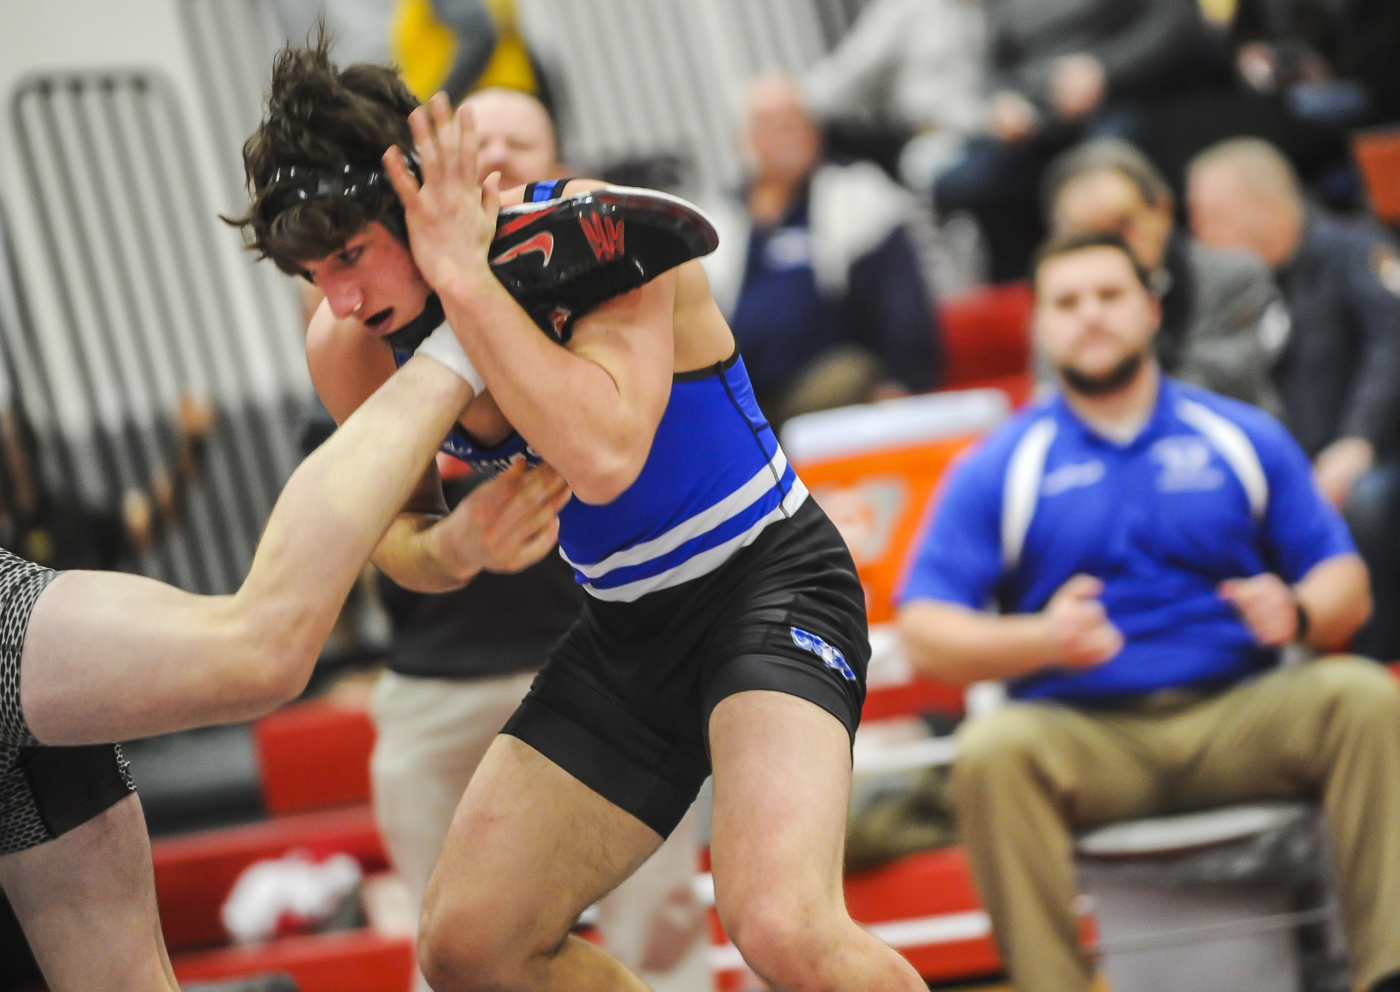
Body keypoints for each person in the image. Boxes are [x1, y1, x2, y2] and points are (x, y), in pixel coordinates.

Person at [233, 37, 926, 992]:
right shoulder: (347, 343)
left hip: (767, 584)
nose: (342, 298)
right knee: (471, 946)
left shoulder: (593, 240)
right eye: (313, 274)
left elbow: (604, 460)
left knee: (782, 924)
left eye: (352, 255)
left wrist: (465, 280)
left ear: (422, 201)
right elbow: (393, 545)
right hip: (626, 629)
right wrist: (454, 543)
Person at [897, 228, 1400, 992]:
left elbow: (1346, 582)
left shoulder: (1238, 435)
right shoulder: (1002, 464)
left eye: (1110, 295)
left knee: (1364, 700)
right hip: (1089, 741)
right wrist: (1041, 639)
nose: (1090, 316)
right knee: (991, 753)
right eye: (1067, 302)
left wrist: (1296, 611)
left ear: (1151, 308)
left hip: (1242, 714)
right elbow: (925, 631)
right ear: (1038, 323)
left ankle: (1386, 973)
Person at [0, 348, 557, 990]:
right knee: (256, 649)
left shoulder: (65, 517)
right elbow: (261, 649)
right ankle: (452, 353)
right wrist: (453, 340)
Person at [343, 86, 707, 992]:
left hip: (610, 658)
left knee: (662, 929)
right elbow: (373, 525)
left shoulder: (618, 281)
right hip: (434, 684)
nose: (497, 154)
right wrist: (452, 547)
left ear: (560, 170)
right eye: (480, 139)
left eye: (522, 141)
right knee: (457, 952)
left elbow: (622, 456)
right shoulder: (364, 322)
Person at [1187, 136, 1400, 658]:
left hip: (1377, 451)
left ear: (1265, 207)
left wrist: (1358, 441)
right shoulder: (1234, 289)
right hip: (1293, 465)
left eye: (1211, 214)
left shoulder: (1355, 250)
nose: (1200, 234)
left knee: (1367, 501)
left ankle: (1376, 660)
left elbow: (1394, 339)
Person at [703, 76, 943, 430]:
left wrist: (903, 381)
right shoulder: (717, 217)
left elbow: (903, 304)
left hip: (831, 384)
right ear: (744, 139)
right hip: (742, 393)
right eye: (770, 123)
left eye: (796, 119)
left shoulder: (861, 195)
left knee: (850, 372)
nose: (787, 132)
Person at [934, 0, 1205, 280]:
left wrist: (1104, 71)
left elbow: (1178, 24)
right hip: (1036, 116)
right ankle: (1033, 291)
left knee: (1101, 173)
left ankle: (1142, 279)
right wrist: (1002, 101)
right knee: (966, 186)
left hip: (1121, 99)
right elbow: (995, 65)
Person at [1044, 137, 1285, 412]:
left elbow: (1217, 385)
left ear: (1162, 209)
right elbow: (1051, 397)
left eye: (1122, 226)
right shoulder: (1061, 302)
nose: (1110, 252)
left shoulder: (1234, 277)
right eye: (1089, 237)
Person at [794, 0, 987, 192]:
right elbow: (856, 68)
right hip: (933, 141)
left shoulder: (999, 12)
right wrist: (795, 102)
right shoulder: (907, 7)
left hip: (993, 137)